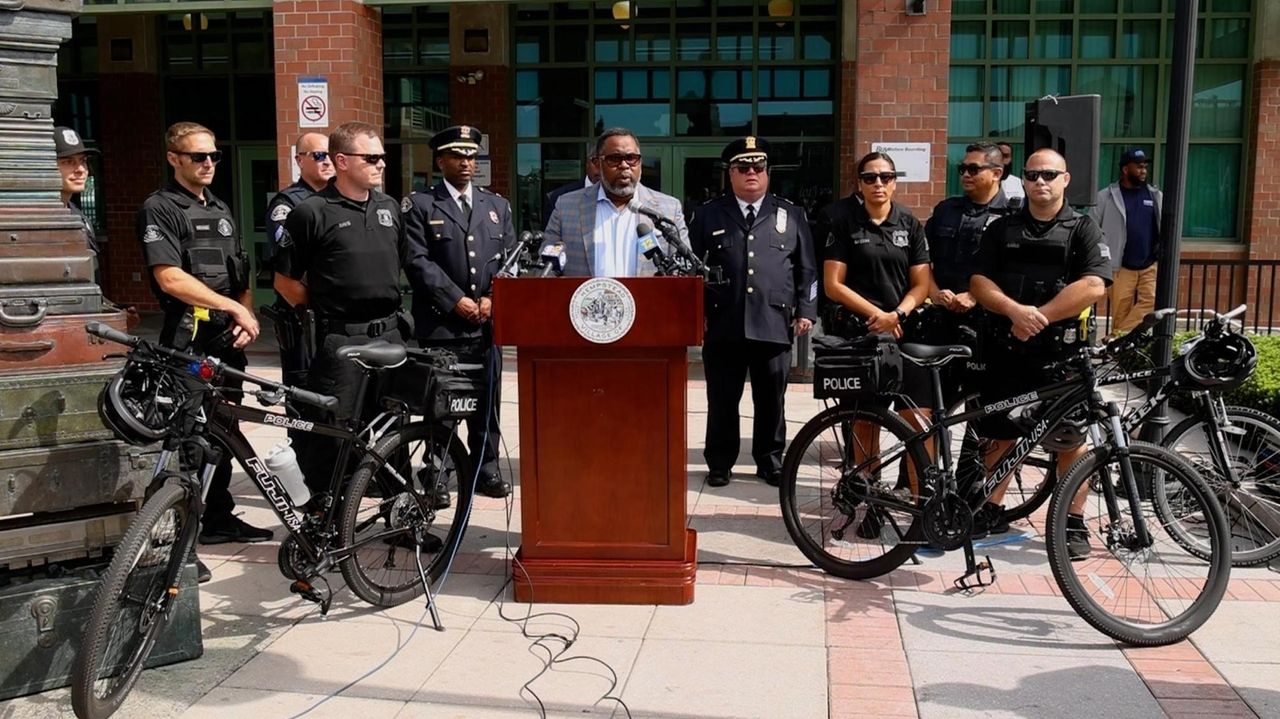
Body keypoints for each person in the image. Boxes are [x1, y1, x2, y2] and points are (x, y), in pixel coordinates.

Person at [136, 121, 270, 581]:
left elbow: (241, 276)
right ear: (174, 159)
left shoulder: (220, 207)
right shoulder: (160, 208)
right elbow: (169, 277)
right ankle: (183, 544)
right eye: (198, 156)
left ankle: (218, 519)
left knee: (224, 433)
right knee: (190, 442)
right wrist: (232, 306)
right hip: (189, 341)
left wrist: (244, 316)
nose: (209, 163)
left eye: (213, 155)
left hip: (227, 341)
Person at [971, 148, 1112, 559]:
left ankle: (1071, 522)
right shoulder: (1002, 228)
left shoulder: (1083, 228)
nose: (1040, 182)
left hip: (1062, 355)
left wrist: (1040, 317)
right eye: (1033, 175)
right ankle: (991, 509)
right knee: (1001, 432)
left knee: (1071, 440)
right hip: (1008, 347)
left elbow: (1096, 284)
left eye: (1049, 174)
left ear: (1065, 179)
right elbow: (979, 280)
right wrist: (1014, 311)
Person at [275, 122, 407, 499]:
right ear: (343, 161)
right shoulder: (311, 212)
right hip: (342, 340)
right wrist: (326, 308)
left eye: (383, 157)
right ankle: (330, 518)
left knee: (393, 426)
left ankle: (399, 513)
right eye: (372, 158)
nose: (381, 164)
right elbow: (285, 282)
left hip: (390, 335)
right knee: (334, 435)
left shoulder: (389, 207)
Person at [819, 152, 934, 536]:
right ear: (860, 184)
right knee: (864, 426)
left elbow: (921, 283)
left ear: (895, 182)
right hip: (862, 336)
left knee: (919, 422)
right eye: (870, 178)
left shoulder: (909, 223)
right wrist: (878, 317)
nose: (879, 184)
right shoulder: (844, 222)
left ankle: (923, 512)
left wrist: (897, 315)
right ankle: (869, 507)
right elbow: (834, 284)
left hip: (904, 335)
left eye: (886, 176)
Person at [690, 137, 817, 487]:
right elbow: (691, 269)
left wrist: (806, 308)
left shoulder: (791, 213)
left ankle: (770, 459)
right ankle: (719, 461)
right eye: (742, 167)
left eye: (757, 167)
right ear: (729, 173)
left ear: (767, 172)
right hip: (723, 322)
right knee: (722, 399)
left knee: (771, 400)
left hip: (773, 321)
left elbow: (807, 268)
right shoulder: (708, 213)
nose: (751, 173)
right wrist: (694, 313)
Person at [402, 125, 513, 499]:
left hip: (485, 325)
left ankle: (486, 468)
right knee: (442, 404)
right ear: (440, 161)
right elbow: (416, 261)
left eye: (471, 156)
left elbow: (510, 261)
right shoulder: (419, 205)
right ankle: (439, 471)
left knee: (487, 401)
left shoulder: (496, 206)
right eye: (457, 156)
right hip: (441, 325)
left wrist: (493, 299)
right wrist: (454, 299)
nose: (466, 163)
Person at [924, 141, 1012, 403]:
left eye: (973, 169)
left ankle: (975, 447)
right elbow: (921, 261)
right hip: (942, 320)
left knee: (983, 409)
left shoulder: (1012, 216)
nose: (965, 175)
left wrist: (975, 296)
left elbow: (1011, 271)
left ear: (997, 173)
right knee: (936, 406)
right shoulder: (945, 210)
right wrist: (935, 293)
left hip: (987, 324)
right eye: (962, 168)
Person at [542, 128, 688, 277]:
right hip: (585, 300)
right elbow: (546, 270)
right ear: (597, 164)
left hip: (647, 300)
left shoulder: (668, 208)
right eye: (614, 158)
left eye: (631, 158)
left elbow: (683, 272)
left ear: (640, 163)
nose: (624, 165)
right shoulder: (566, 206)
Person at [264, 133, 335, 388]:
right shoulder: (287, 204)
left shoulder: (339, 198)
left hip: (335, 318)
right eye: (318, 155)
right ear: (299, 160)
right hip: (303, 319)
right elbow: (288, 270)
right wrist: (315, 311)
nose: (327, 161)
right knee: (304, 393)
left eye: (330, 154)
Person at [1094, 148, 1163, 339]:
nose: (1143, 171)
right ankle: (1120, 356)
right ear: (1125, 169)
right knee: (1120, 312)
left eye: (1145, 167)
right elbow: (1092, 228)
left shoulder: (1155, 196)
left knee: (1153, 301)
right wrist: (1103, 254)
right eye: (1139, 166)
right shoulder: (1106, 196)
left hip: (1149, 264)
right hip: (1120, 266)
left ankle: (1115, 337)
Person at [53, 126, 101, 282]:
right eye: (68, 162)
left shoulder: (80, 218)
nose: (80, 169)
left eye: (83, 161)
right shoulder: (36, 218)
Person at [542, 147, 600, 224]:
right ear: (587, 163)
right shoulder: (557, 197)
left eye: (607, 163)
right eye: (596, 162)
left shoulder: (620, 196)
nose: (601, 168)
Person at [996, 142, 1025, 207]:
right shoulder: (982, 183)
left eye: (1006, 156)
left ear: (1011, 158)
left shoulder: (1018, 183)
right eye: (999, 156)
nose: (1002, 160)